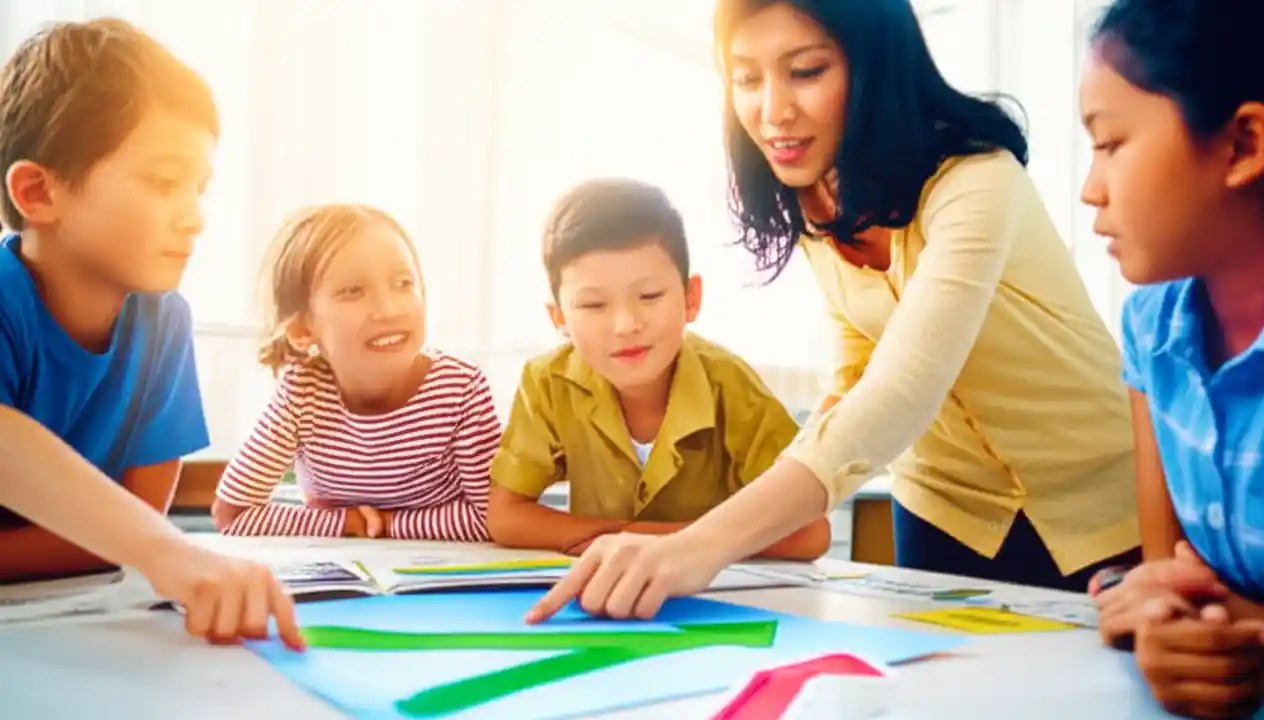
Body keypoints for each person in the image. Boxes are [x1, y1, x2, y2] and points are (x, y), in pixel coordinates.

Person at [527, 0, 1139, 623]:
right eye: (746, 78)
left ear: (874, 68)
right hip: (946, 509)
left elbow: (902, 389)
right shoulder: (813, 201)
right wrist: (755, 502)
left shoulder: (979, 179)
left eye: (805, 71)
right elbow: (852, 378)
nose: (772, 113)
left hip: (1095, 505)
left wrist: (697, 545)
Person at [0, 18, 301, 648]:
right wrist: (155, 549)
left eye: (200, 188)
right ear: (37, 191)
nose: (194, 217)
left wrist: (148, 546)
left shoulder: (164, 321)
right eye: (164, 183)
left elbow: (144, 520)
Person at [1080, 1, 1264, 716]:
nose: (1089, 189)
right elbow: (1164, 574)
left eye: (1109, 144)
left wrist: (1255, 629)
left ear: (1242, 145)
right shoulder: (1151, 327)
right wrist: (1162, 622)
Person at [487, 179, 828, 559]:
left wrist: (662, 546)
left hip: (717, 595)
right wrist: (647, 541)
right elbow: (506, 517)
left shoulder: (730, 385)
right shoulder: (547, 381)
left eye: (649, 296)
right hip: (603, 597)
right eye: (594, 305)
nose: (625, 325)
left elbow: (809, 533)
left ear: (690, 297)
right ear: (559, 316)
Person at [213, 205, 501, 540]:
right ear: (302, 328)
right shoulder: (302, 390)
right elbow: (233, 513)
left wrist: (382, 525)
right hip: (345, 573)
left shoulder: (461, 387)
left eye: (403, 283)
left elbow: (494, 518)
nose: (388, 309)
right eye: (352, 291)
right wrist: (347, 524)